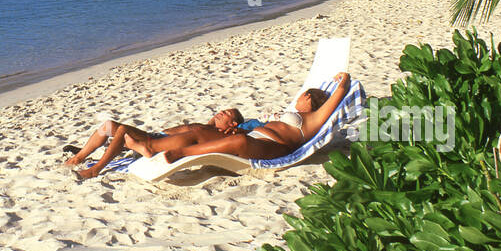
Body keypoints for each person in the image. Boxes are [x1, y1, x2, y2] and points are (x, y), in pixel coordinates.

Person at [146, 74, 353, 166]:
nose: (297, 98)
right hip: (254, 137)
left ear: (308, 98)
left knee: (241, 143)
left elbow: (340, 93)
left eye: (301, 96)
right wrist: (243, 130)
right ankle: (151, 144)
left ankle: (182, 152)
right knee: (201, 131)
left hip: (272, 148)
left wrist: (343, 78)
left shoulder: (313, 119)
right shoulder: (296, 114)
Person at [63, 107, 246, 179]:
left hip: (159, 143)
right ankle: (79, 157)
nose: (221, 112)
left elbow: (243, 135)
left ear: (233, 124)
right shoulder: (208, 127)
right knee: (108, 126)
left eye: (226, 114)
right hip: (155, 136)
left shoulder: (221, 134)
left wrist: (238, 129)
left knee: (122, 130)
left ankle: (96, 169)